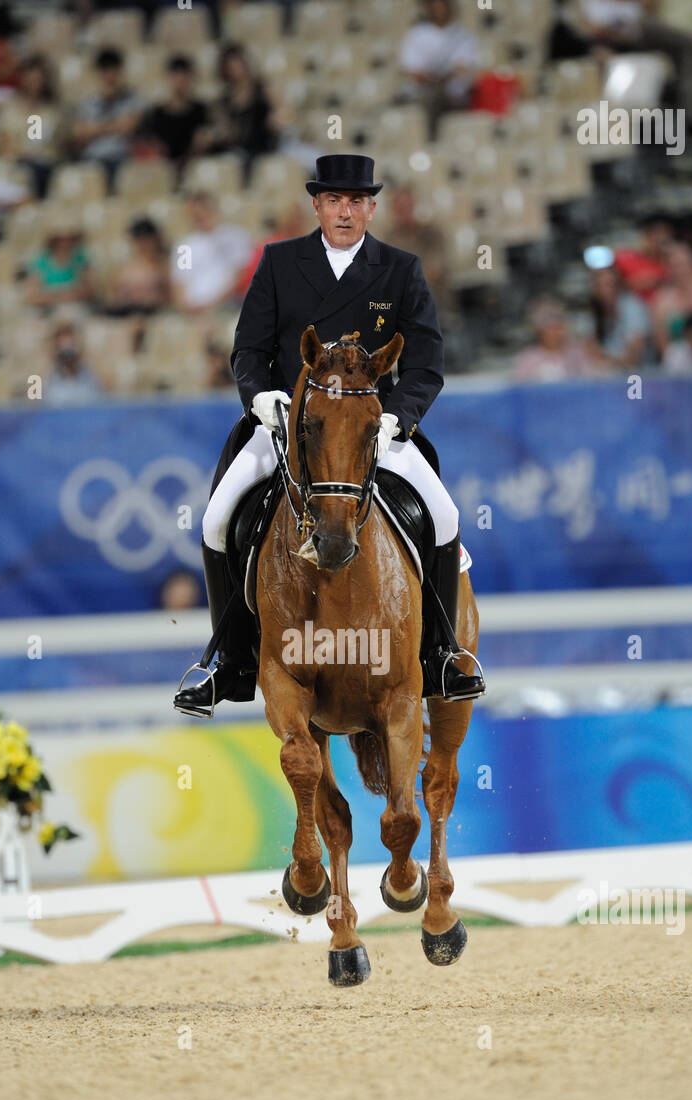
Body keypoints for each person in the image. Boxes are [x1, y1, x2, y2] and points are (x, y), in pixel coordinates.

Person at [174, 152, 486, 717]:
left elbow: (425, 364)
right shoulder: (278, 263)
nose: (345, 211)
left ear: (371, 207)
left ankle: (440, 653)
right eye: (335, 201)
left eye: (357, 201)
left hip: (375, 429)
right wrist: (259, 396)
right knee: (217, 518)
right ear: (317, 205)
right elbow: (248, 349)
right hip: (290, 426)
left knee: (444, 516)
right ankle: (230, 663)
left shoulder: (400, 269)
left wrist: (399, 415)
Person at [399, 0, 478, 135]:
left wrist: (444, 77)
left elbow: (464, 68)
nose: (438, 9)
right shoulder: (417, 34)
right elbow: (409, 69)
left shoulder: (462, 35)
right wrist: (428, 78)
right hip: (422, 92)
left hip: (453, 96)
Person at [198, 44, 277, 177]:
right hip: (239, 151)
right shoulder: (224, 100)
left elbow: (284, 113)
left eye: (238, 63)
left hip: (264, 148)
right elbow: (223, 130)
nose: (235, 69)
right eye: (231, 66)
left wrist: (276, 118)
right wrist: (217, 134)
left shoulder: (264, 90)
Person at [71, 47, 141, 191]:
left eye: (113, 70)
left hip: (120, 159)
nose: (109, 75)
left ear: (120, 71)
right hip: (92, 160)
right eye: (105, 70)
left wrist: (94, 128)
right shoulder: (88, 101)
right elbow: (79, 133)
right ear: (99, 73)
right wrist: (113, 125)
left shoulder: (131, 99)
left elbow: (126, 127)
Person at [0, 54, 60, 199]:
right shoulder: (9, 109)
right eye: (31, 79)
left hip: (43, 163)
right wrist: (19, 154)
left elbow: (43, 142)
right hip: (16, 162)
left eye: (38, 80)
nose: (34, 83)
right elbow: (3, 141)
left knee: (40, 169)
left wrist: (34, 154)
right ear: (23, 79)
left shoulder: (49, 112)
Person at [170, 191, 252, 313]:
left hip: (227, 304)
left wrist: (213, 305)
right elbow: (180, 282)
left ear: (213, 210)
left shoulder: (234, 237)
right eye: (194, 212)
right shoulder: (185, 246)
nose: (199, 215)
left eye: (204, 209)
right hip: (193, 308)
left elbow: (240, 275)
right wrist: (186, 308)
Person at [136, 54, 209, 175]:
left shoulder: (200, 111)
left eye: (184, 78)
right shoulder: (156, 114)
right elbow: (145, 143)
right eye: (176, 77)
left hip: (194, 169)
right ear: (168, 78)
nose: (180, 82)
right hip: (162, 172)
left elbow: (206, 139)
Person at [513, 297, 598, 382]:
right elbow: (521, 388)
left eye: (559, 327)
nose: (557, 333)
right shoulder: (528, 359)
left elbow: (591, 380)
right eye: (551, 328)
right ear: (540, 331)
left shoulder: (576, 355)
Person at [589, 265, 652, 368]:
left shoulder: (632, 306)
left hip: (640, 374)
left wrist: (609, 363)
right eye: (599, 286)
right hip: (608, 372)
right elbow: (591, 349)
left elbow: (634, 353)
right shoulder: (595, 312)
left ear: (618, 286)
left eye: (609, 285)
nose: (605, 291)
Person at [106, 216, 170, 314]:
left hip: (151, 311)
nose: (143, 244)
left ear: (155, 239)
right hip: (126, 310)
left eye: (146, 240)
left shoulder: (163, 265)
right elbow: (114, 294)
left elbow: (167, 295)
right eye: (139, 240)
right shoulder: (127, 266)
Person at [24, 224, 92, 310]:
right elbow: (31, 297)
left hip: (76, 309)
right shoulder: (40, 262)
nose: (65, 243)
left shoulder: (80, 260)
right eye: (61, 239)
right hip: (47, 310)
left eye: (69, 239)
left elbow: (88, 290)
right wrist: (61, 297)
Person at [614, 213, 674, 301]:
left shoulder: (672, 261)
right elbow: (614, 288)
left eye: (664, 235)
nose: (660, 239)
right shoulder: (625, 258)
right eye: (656, 234)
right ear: (646, 235)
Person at [42, 321, 103, 404]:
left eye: (70, 346)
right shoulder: (46, 376)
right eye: (62, 348)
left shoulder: (90, 372)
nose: (67, 353)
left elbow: (99, 398)